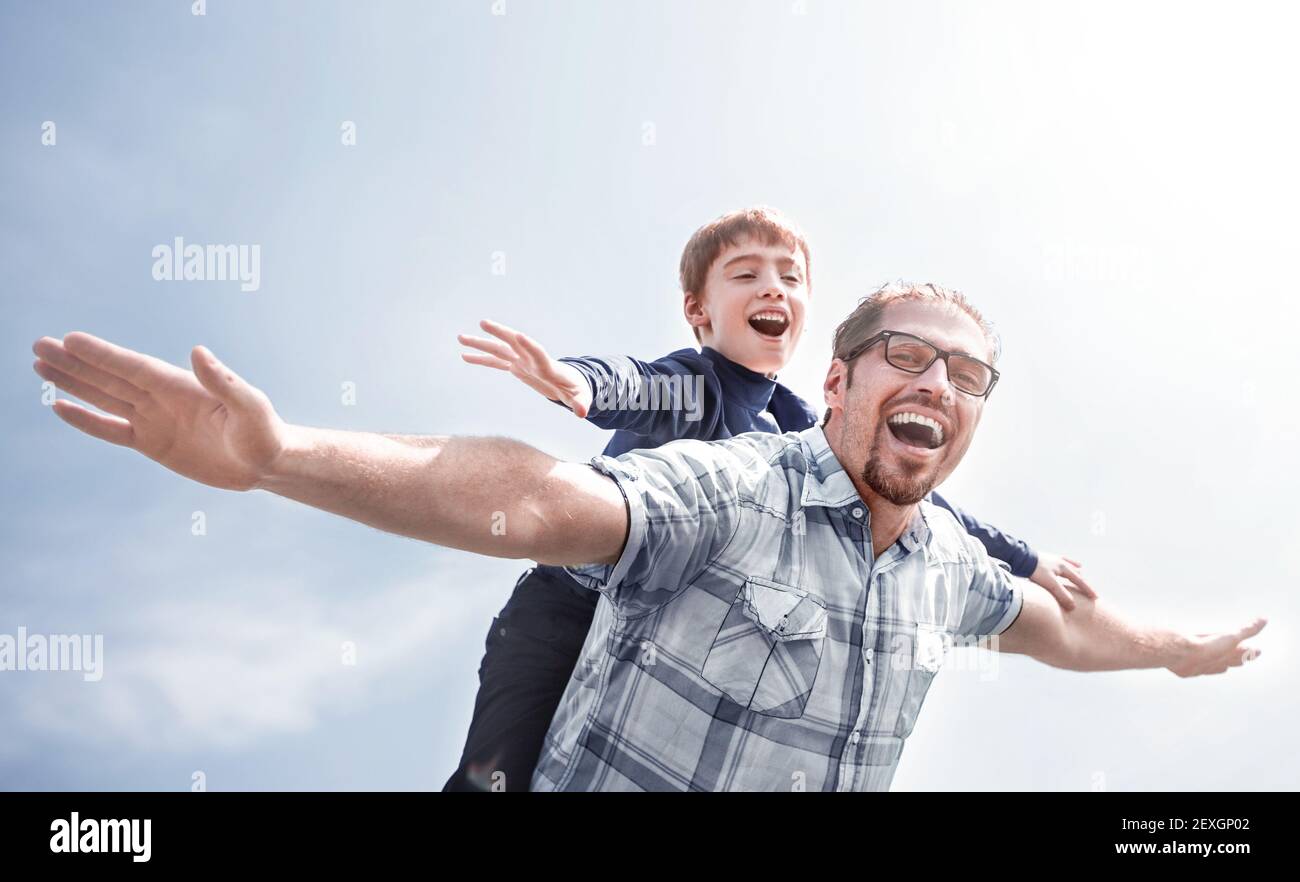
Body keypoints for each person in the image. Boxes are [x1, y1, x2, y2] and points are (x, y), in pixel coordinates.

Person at [31, 283, 1264, 791]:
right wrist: (283, 455)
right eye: (906, 355)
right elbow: (547, 497)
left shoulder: (950, 568)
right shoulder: (740, 482)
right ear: (832, 385)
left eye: (968, 374)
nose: (937, 381)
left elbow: (1070, 636)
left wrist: (1176, 649)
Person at [443, 208, 1091, 789]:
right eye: (746, 275)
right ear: (700, 311)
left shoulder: (801, 427)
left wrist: (1028, 560)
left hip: (666, 628)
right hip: (570, 606)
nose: (773, 288)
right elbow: (641, 385)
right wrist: (576, 383)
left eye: (790, 277)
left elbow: (928, 503)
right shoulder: (700, 385)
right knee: (498, 767)